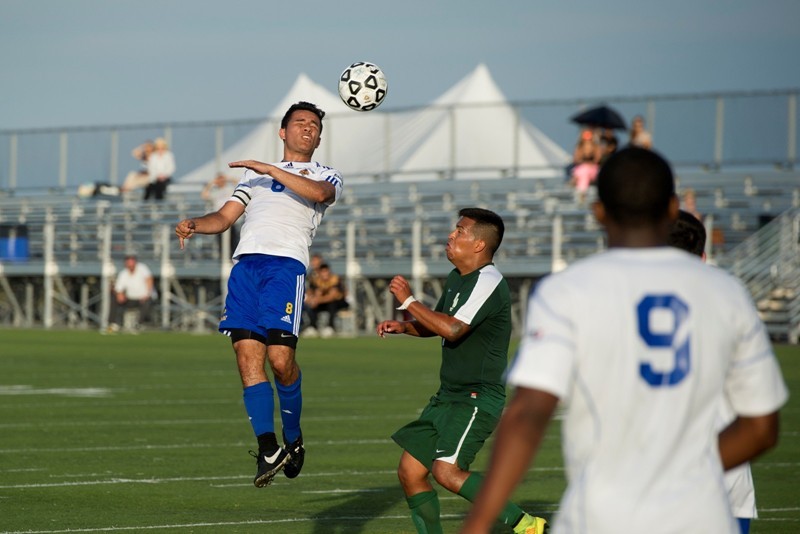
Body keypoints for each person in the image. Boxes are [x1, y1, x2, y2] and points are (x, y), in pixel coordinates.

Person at [461, 147, 788, 534]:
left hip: (603, 516)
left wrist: (478, 523)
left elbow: (528, 414)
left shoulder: (567, 290)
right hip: (705, 514)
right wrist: (681, 472)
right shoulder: (727, 292)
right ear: (671, 209)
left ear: (599, 211)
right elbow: (762, 428)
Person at [174, 101, 343, 488]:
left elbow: (320, 193)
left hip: (285, 268)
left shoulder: (323, 173)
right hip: (246, 267)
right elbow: (223, 218)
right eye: (299, 123)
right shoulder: (252, 181)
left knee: (281, 360)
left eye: (314, 125)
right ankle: (268, 448)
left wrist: (272, 168)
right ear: (282, 132)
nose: (308, 128)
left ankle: (294, 439)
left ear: (319, 137)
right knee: (247, 357)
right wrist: (193, 224)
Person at [376, 207, 547, 534]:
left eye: (459, 231)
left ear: (479, 245)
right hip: (449, 396)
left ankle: (527, 525)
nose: (450, 237)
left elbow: (454, 330)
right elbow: (436, 324)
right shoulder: (459, 278)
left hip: (476, 398)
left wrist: (409, 300)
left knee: (447, 472)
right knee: (410, 472)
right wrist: (404, 326)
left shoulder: (488, 281)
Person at [667, 210, 758, 534]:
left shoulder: (622, 300)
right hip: (727, 470)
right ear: (703, 256)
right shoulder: (731, 300)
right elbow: (762, 418)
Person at [107, 254, 154, 333]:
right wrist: (120, 295)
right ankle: (113, 324)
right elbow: (119, 288)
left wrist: (147, 294)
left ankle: (139, 324)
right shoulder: (123, 273)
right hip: (131, 299)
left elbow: (149, 280)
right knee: (114, 299)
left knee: (147, 302)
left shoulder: (142, 268)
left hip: (144, 298)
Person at [303, 262, 349, 338]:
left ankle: (330, 327)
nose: (324, 274)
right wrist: (312, 300)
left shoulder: (334, 279)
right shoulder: (317, 280)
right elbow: (313, 292)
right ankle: (313, 327)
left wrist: (317, 300)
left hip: (339, 302)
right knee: (311, 307)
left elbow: (332, 296)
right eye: (322, 272)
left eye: (326, 271)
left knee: (332, 305)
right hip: (323, 302)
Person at [202, 173, 240, 252]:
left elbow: (239, 183)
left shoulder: (230, 188)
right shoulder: (214, 191)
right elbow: (204, 195)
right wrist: (211, 183)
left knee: (233, 241)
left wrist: (228, 178)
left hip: (231, 218)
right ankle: (223, 259)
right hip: (219, 219)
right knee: (221, 242)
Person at [570, 128, 601, 205]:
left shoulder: (596, 146)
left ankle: (581, 194)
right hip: (582, 170)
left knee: (584, 171)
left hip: (592, 170)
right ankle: (581, 194)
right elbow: (576, 159)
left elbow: (597, 160)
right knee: (583, 170)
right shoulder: (579, 147)